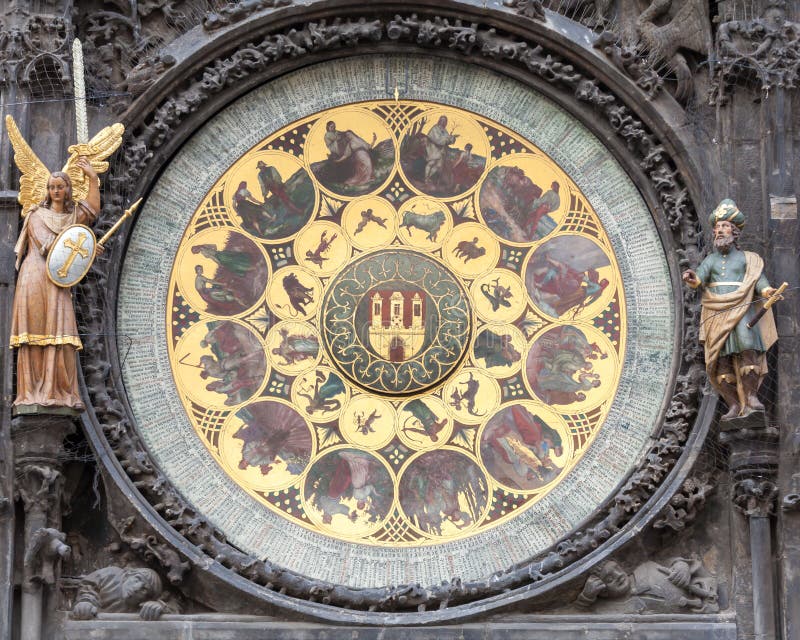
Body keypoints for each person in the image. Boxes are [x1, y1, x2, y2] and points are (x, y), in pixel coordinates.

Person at [10, 160, 99, 412]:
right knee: (36, 331)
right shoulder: (36, 216)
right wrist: (84, 246)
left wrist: (93, 178)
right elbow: (49, 246)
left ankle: (59, 390)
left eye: (60, 187)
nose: (56, 191)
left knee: (62, 332)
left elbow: (91, 210)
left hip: (60, 279)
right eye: (52, 187)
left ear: (68, 189)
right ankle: (32, 392)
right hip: (37, 275)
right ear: (47, 190)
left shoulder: (72, 216)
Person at [682, 200, 779, 420]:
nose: (719, 231)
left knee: (748, 349)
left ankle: (752, 397)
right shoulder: (710, 260)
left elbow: (758, 281)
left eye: (724, 227)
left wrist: (767, 292)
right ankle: (733, 404)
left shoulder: (748, 259)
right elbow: (700, 279)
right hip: (716, 311)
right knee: (720, 359)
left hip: (742, 309)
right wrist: (692, 278)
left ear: (734, 232)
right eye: (717, 228)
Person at [71, 566, 166, 620]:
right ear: (128, 574)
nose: (137, 588)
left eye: (144, 589)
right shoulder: (111, 574)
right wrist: (86, 601)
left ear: (146, 599)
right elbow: (89, 586)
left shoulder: (140, 607)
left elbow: (176, 612)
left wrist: (158, 606)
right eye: (137, 579)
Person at [323, 121, 375, 186]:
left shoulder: (336, 132)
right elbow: (330, 146)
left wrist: (346, 133)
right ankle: (366, 146)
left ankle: (365, 147)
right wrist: (340, 139)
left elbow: (342, 134)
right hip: (336, 148)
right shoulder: (327, 135)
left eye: (334, 126)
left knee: (350, 135)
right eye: (331, 126)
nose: (333, 127)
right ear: (328, 127)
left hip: (342, 144)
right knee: (349, 138)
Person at [424, 115, 457, 183]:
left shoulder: (444, 130)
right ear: (439, 120)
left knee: (439, 166)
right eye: (442, 120)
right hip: (433, 148)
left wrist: (452, 138)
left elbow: (446, 141)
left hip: (441, 150)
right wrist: (447, 138)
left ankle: (428, 177)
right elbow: (437, 140)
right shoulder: (435, 128)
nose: (443, 122)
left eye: (444, 121)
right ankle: (426, 178)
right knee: (432, 163)